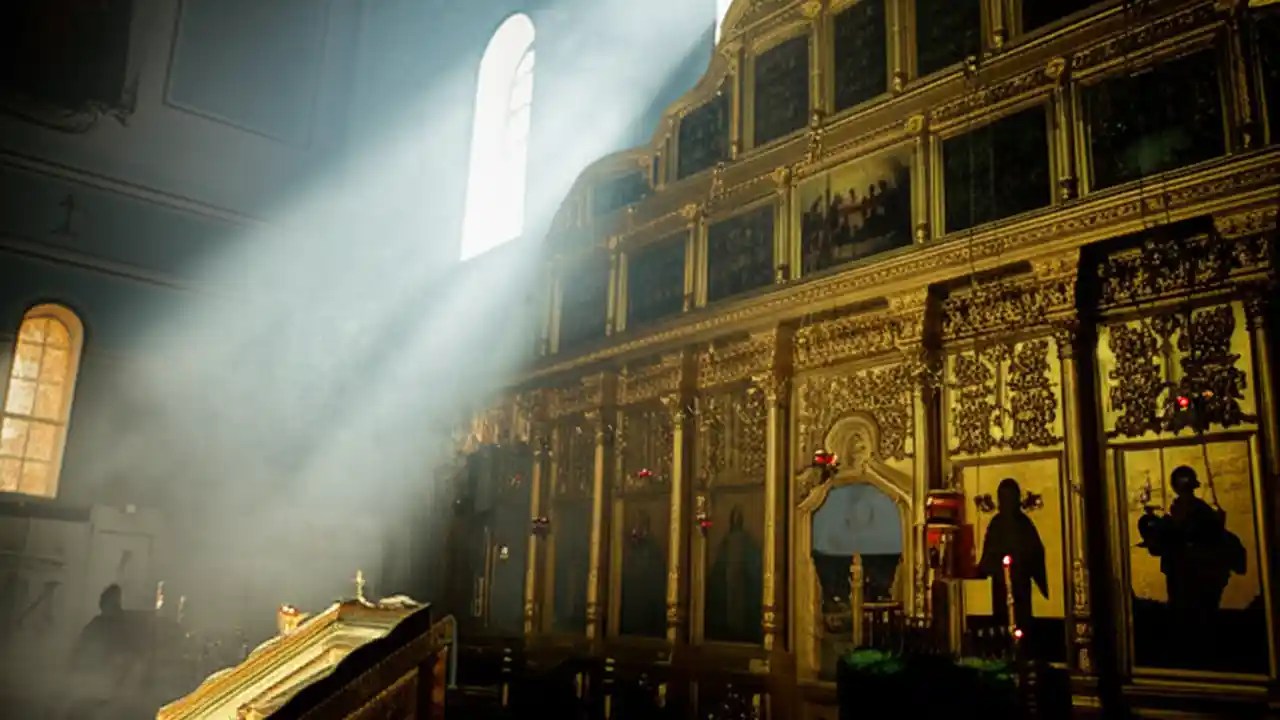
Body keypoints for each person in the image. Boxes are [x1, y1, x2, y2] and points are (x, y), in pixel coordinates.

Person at [977, 479, 1049, 633]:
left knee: (1021, 620)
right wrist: (985, 567)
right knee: (1002, 621)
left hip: (1020, 583)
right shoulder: (996, 524)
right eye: (1003, 498)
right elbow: (989, 549)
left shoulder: (1024, 524)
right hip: (1000, 583)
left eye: (1010, 497)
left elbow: (1035, 550)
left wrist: (1024, 565)